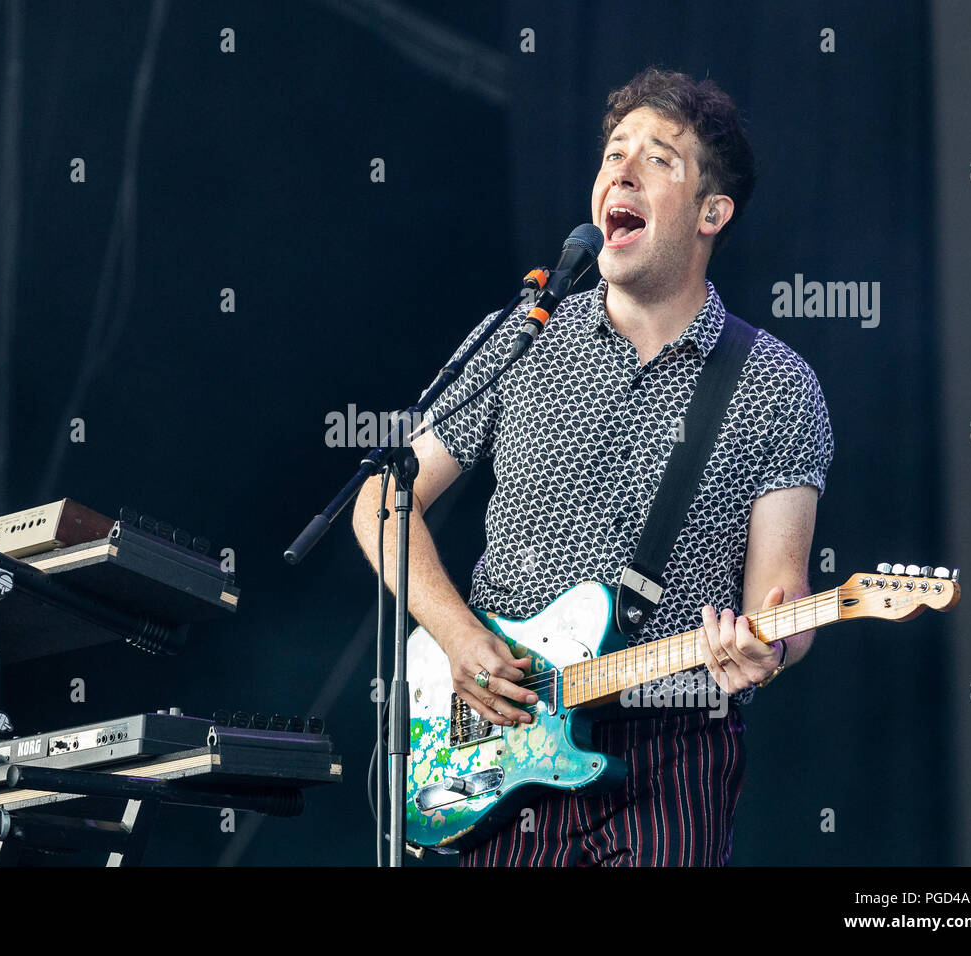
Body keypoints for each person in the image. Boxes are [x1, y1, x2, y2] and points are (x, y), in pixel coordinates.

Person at [352, 67, 834, 866]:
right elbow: (381, 502)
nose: (624, 169)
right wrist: (459, 636)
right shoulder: (523, 338)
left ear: (713, 213)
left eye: (659, 159)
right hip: (501, 736)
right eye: (615, 153)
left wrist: (769, 649)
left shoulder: (778, 385)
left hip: (671, 753)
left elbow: (781, 605)